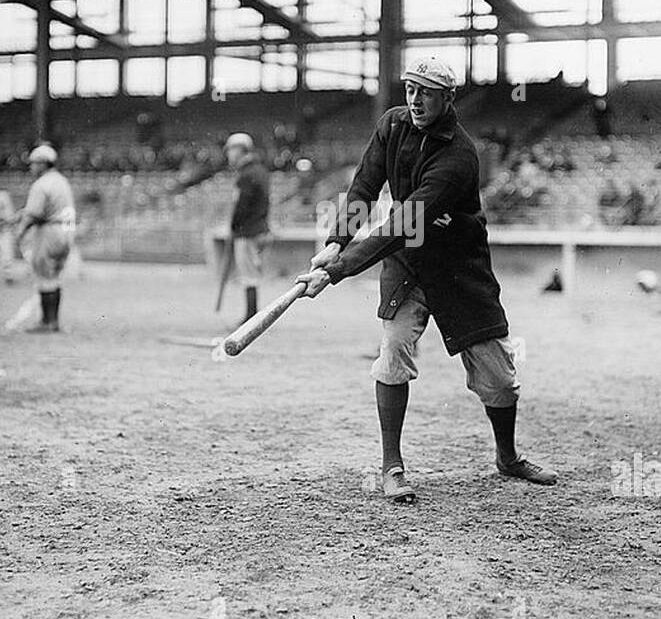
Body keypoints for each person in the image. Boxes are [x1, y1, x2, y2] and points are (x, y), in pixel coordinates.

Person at [296, 56, 556, 503]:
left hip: (458, 267)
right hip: (407, 266)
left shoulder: (459, 154)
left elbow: (404, 221)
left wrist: (338, 272)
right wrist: (337, 241)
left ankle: (507, 457)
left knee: (498, 376)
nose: (415, 100)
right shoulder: (392, 126)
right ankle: (391, 466)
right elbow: (364, 185)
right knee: (394, 352)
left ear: (447, 98)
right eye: (411, 89)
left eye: (427, 93)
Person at [13, 144, 75, 333]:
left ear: (43, 164)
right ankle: (53, 321)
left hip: (48, 232)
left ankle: (46, 322)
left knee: (44, 276)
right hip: (65, 232)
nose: (31, 167)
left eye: (33, 163)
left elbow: (34, 214)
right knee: (54, 277)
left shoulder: (41, 184)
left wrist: (20, 231)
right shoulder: (62, 181)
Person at [224, 132, 271, 325]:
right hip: (259, 228)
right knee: (252, 273)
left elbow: (242, 205)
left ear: (240, 150)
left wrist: (234, 226)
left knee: (249, 275)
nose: (228, 155)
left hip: (247, 230)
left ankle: (251, 317)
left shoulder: (247, 174)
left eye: (231, 150)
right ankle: (252, 315)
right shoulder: (260, 170)